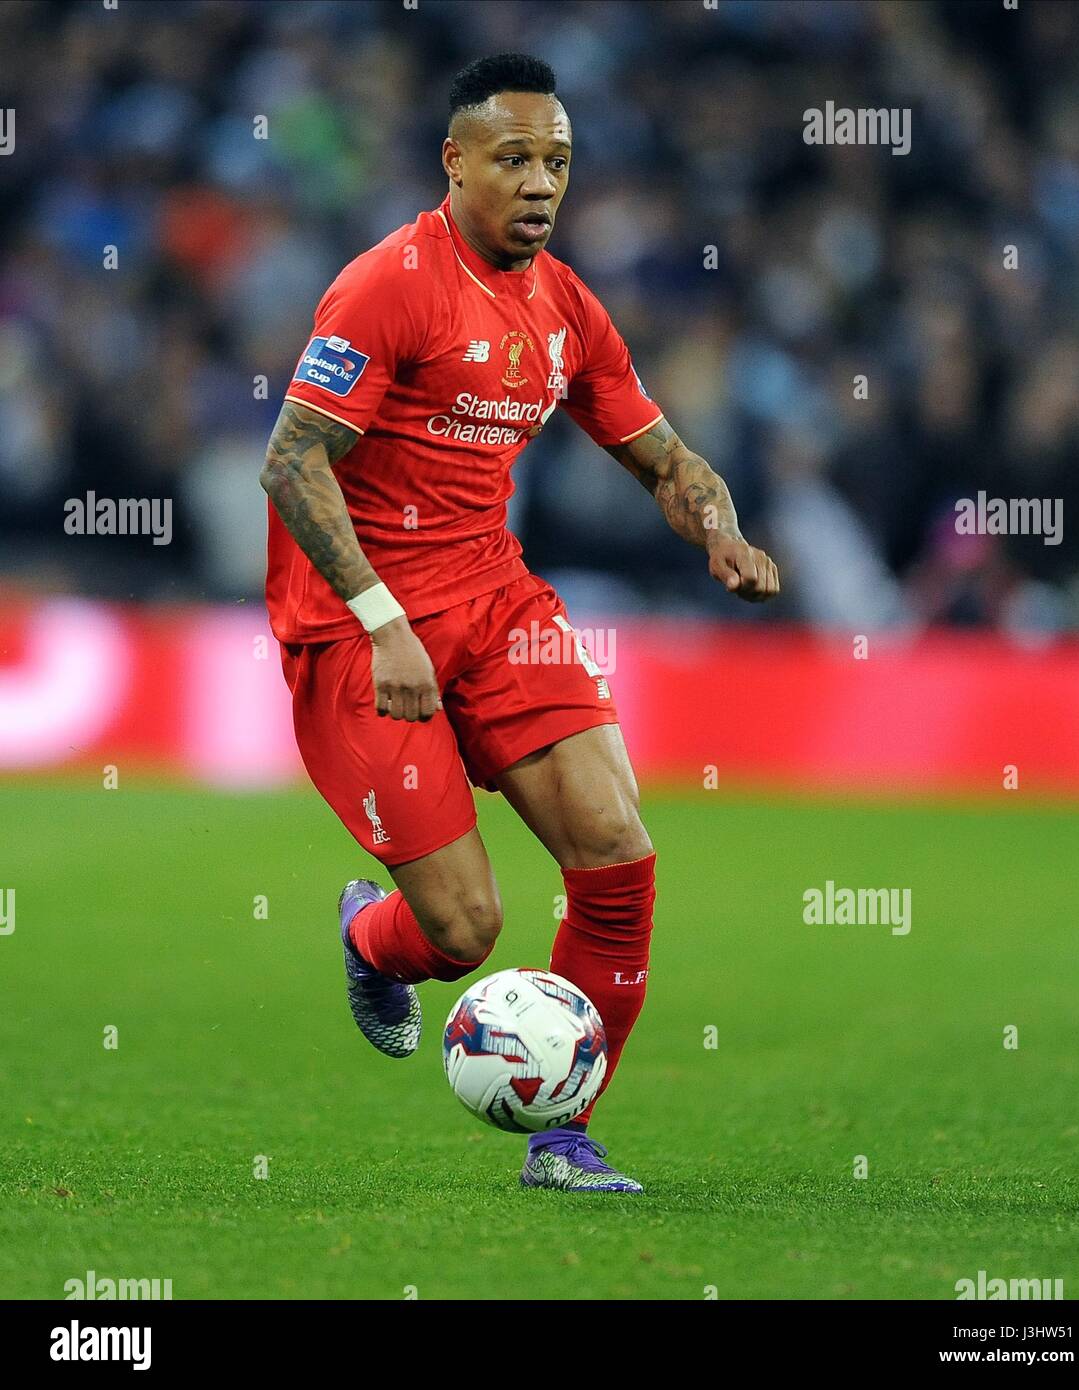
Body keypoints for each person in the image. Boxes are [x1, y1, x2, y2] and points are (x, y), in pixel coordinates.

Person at [261, 53, 779, 1194]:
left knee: (617, 846)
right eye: (513, 159)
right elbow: (291, 459)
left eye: (555, 161)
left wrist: (718, 531)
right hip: (360, 623)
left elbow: (662, 454)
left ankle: (565, 1135)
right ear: (454, 164)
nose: (540, 183)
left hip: (497, 602)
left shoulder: (562, 303)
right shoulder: (386, 285)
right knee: (462, 930)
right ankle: (370, 938)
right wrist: (383, 620)